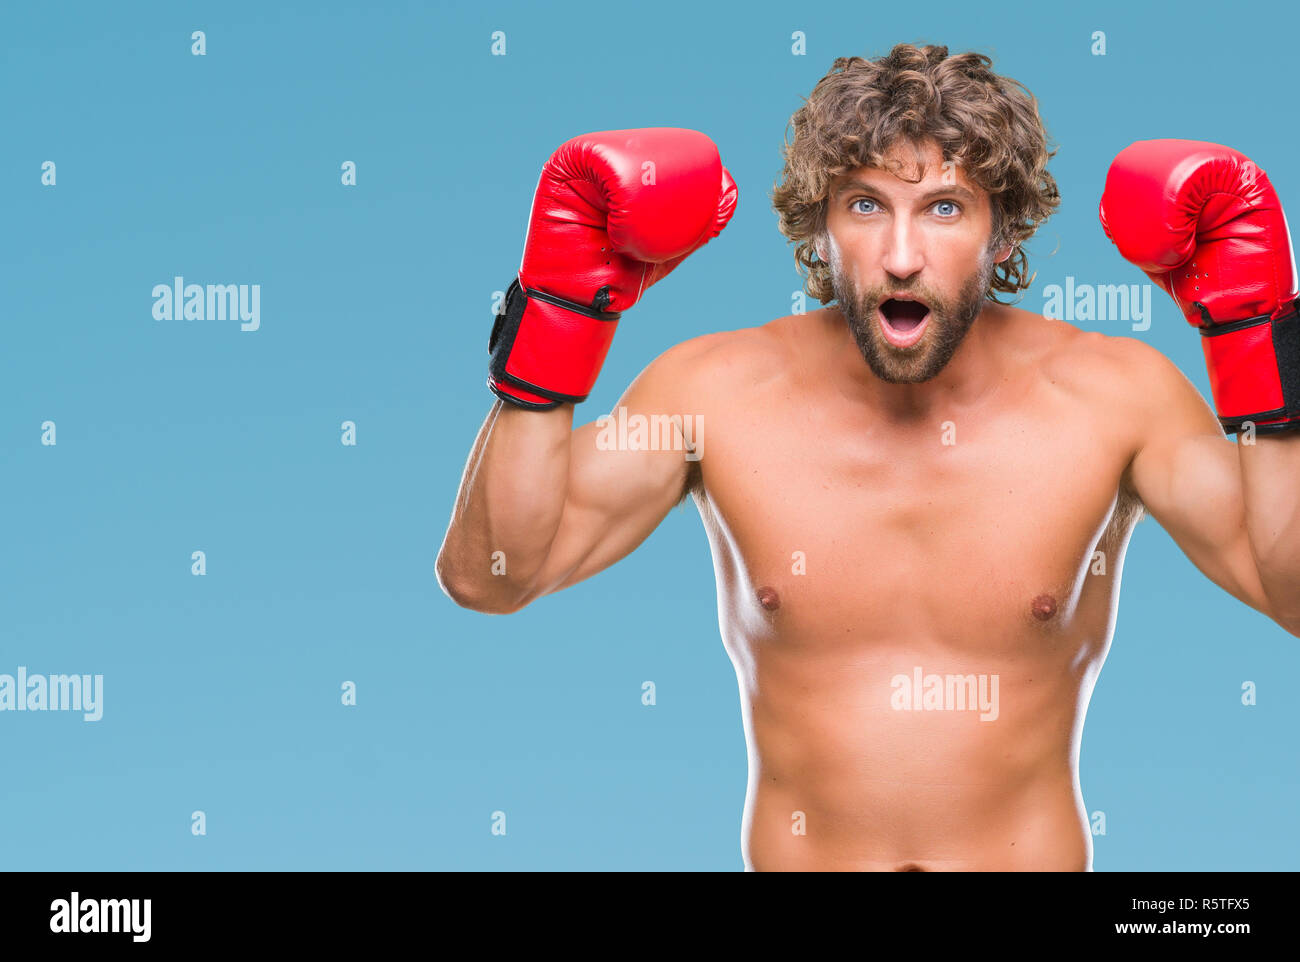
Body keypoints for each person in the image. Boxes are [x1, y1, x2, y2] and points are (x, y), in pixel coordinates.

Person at [436, 43, 1300, 871]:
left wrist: (1254, 340)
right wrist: (560, 317)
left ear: (1004, 232)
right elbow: (496, 574)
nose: (899, 256)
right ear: (819, 226)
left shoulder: (1119, 398)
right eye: (864, 205)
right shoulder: (712, 394)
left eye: (946, 208)